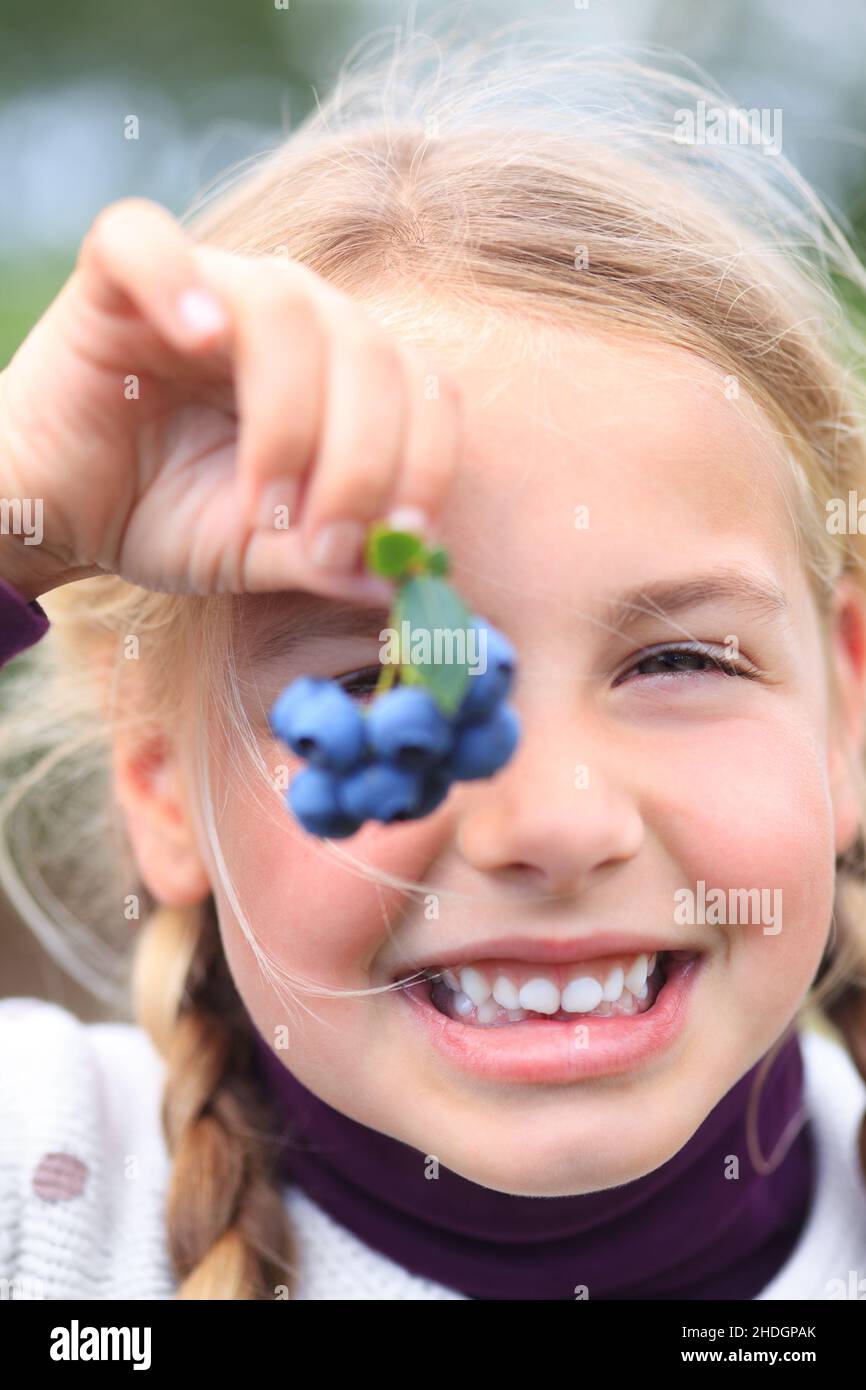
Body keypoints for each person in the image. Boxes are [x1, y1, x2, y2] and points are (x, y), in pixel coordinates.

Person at [1, 29, 866, 1300]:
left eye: (676, 658)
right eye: (372, 682)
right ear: (160, 782)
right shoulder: (46, 1188)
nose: (556, 825)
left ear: (846, 713)